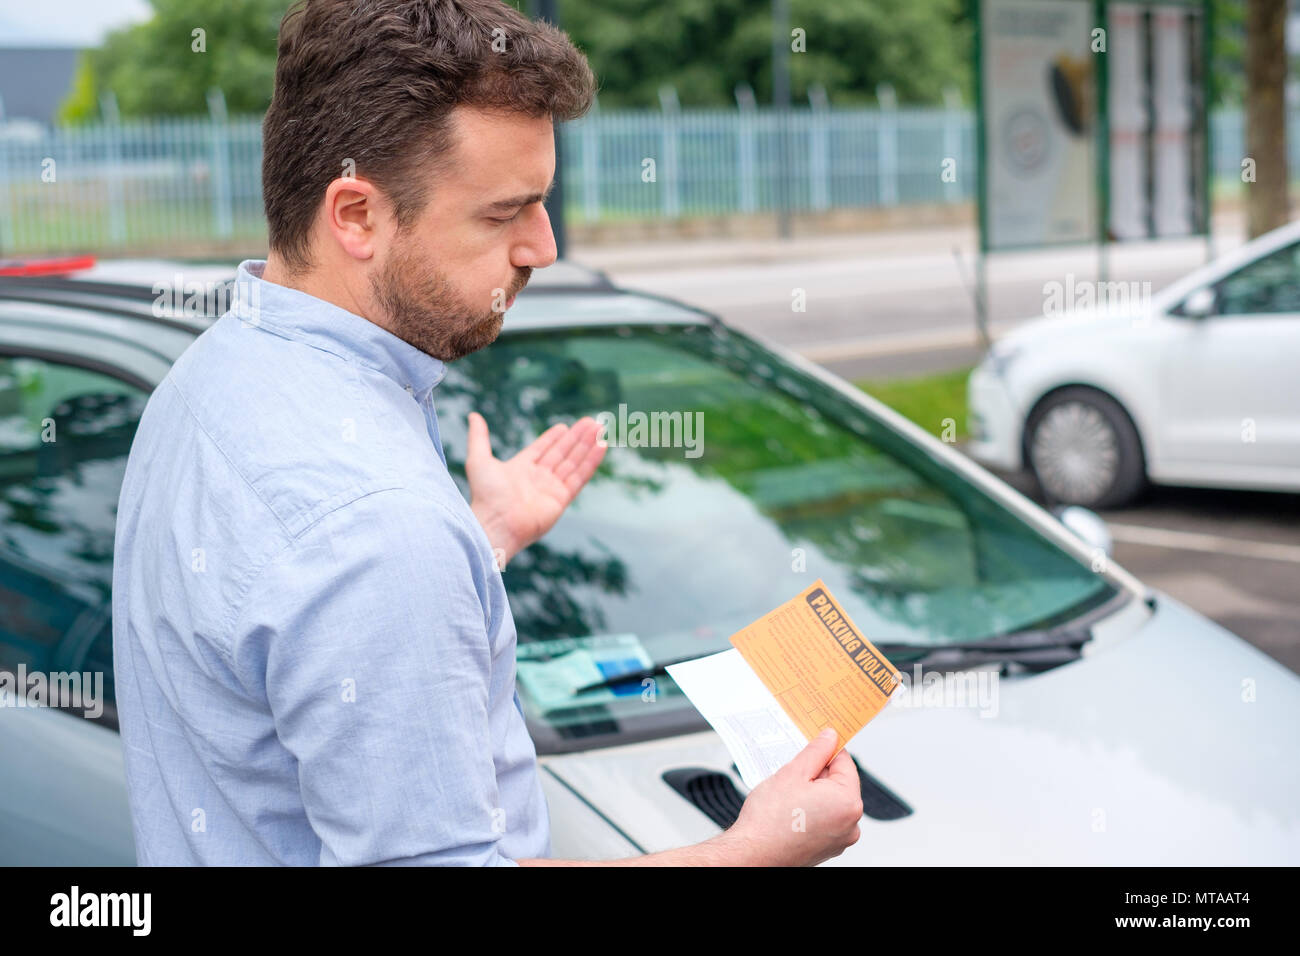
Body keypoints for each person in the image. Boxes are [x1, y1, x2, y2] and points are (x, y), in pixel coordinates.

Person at [112, 0, 863, 867]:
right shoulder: (373, 530)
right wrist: (757, 849)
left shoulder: (213, 376)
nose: (542, 247)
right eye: (507, 213)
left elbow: (287, 622)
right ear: (355, 215)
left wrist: (479, 540)